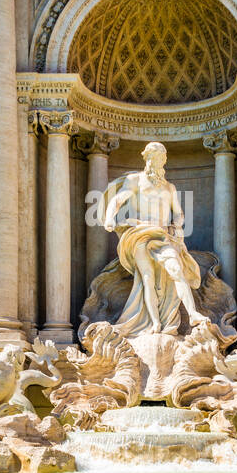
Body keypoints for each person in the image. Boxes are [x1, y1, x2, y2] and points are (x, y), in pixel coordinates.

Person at [100, 141, 208, 337]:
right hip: (140, 233)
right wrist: (109, 217)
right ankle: (155, 323)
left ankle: (193, 314)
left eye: (161, 159)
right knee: (147, 278)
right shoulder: (135, 180)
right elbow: (117, 199)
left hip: (163, 235)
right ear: (146, 159)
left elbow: (178, 213)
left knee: (176, 269)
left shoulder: (169, 188)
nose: (157, 162)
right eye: (153, 158)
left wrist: (177, 223)